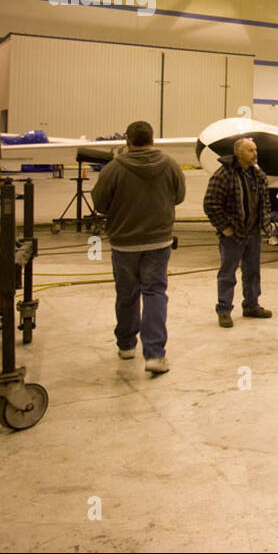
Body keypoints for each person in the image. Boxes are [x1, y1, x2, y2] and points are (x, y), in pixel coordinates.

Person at [91, 120, 186, 375]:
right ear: (153, 140)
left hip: (124, 243)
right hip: (158, 241)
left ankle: (126, 345)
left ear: (128, 141)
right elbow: (179, 196)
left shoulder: (113, 169)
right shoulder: (170, 164)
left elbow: (100, 203)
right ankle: (155, 355)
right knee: (155, 292)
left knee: (126, 293)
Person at [204, 136, 273, 327]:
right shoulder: (223, 175)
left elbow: (265, 200)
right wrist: (225, 228)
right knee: (228, 274)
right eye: (251, 150)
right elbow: (211, 204)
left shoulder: (258, 174)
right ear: (239, 153)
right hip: (233, 234)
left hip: (253, 232)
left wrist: (264, 222)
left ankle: (251, 305)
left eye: (255, 150)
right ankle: (224, 310)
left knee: (252, 272)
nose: (255, 154)